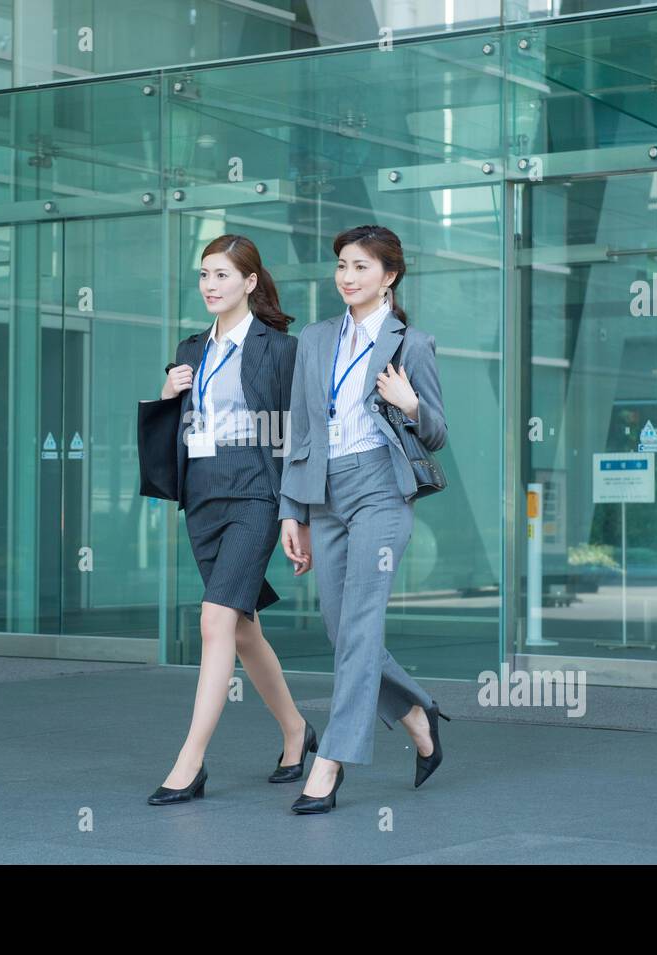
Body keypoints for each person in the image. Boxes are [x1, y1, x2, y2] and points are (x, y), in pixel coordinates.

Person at [277, 224, 452, 814]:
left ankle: (330, 761)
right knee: (339, 627)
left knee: (359, 627)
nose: (347, 278)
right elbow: (300, 430)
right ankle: (414, 714)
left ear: (390, 275)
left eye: (361, 267)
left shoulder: (413, 343)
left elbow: (437, 434)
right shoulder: (315, 338)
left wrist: (412, 405)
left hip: (381, 488)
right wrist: (292, 511)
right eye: (342, 267)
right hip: (323, 493)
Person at [148, 234, 317, 805]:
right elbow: (179, 428)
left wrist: (297, 511)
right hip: (202, 494)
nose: (210, 286)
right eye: (204, 276)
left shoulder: (280, 349)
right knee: (243, 629)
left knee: (215, 621)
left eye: (222, 275)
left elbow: (299, 435)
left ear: (249, 282)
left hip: (255, 492)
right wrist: (168, 392)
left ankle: (190, 762)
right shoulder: (190, 348)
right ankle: (296, 729)